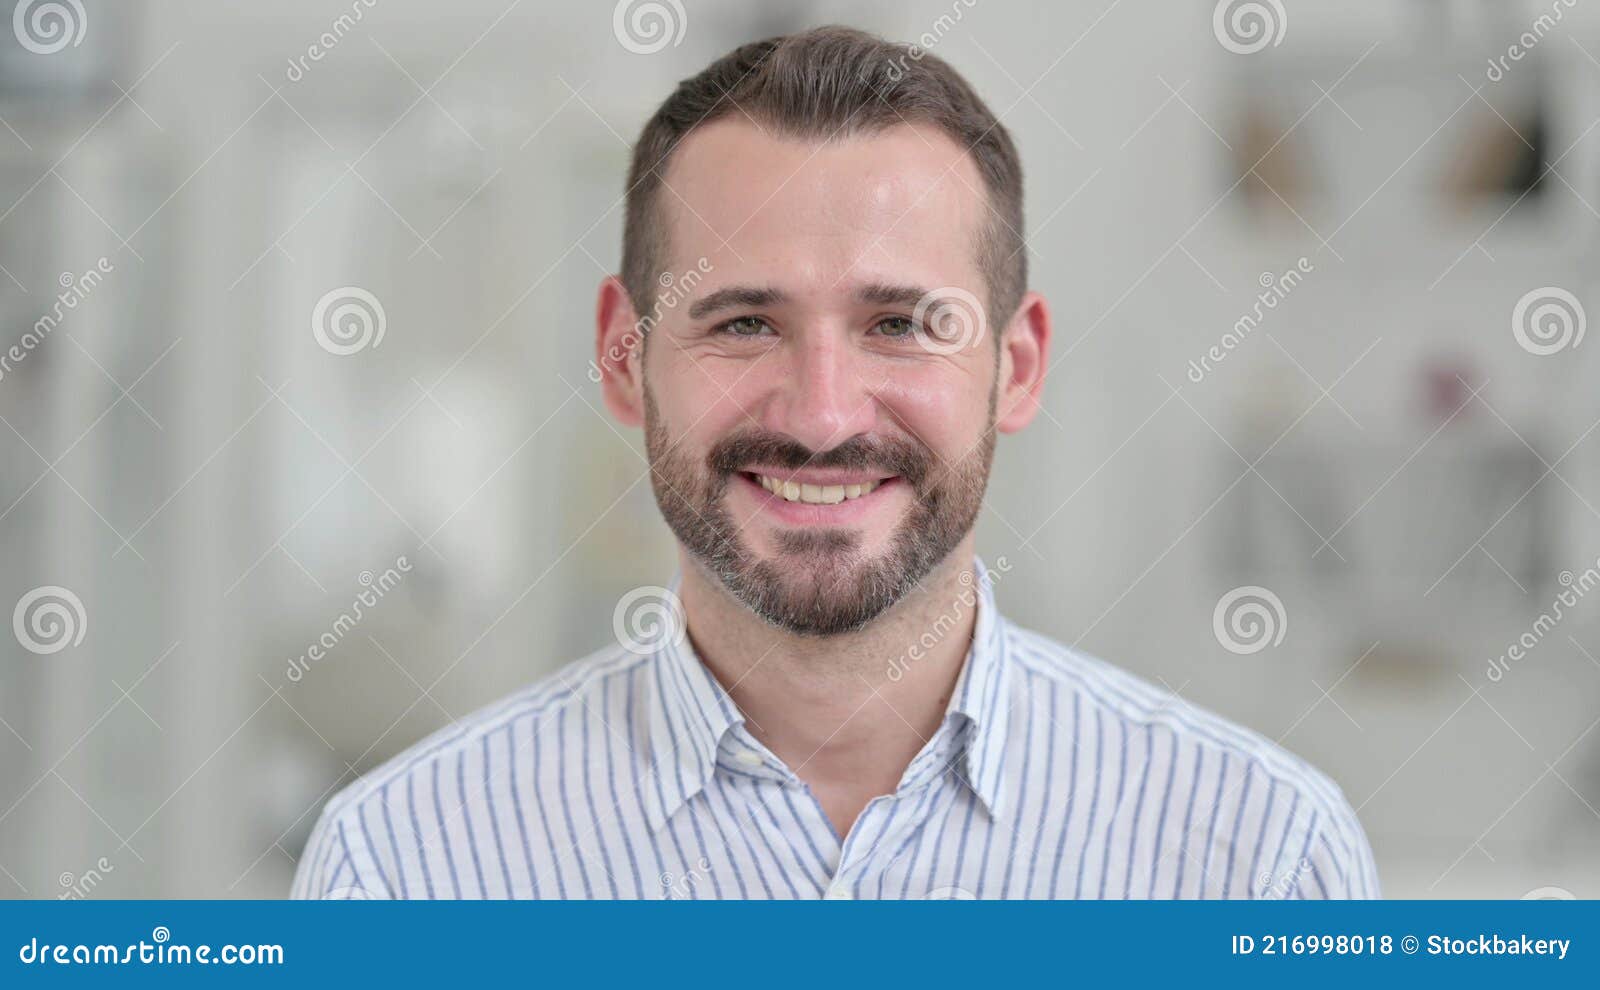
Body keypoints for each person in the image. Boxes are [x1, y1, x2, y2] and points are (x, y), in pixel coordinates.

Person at [292, 25, 1378, 900]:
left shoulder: (1260, 863)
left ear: (1017, 365)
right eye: (744, 324)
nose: (820, 417)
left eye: (899, 323)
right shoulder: (408, 870)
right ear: (624, 359)